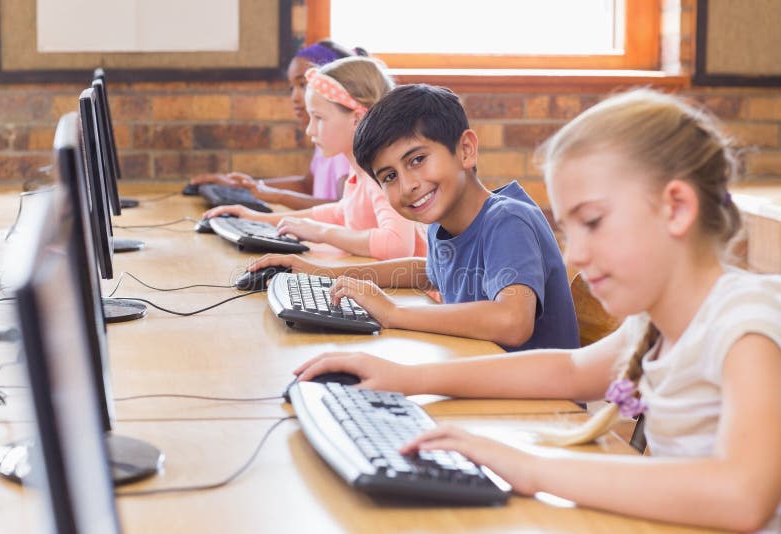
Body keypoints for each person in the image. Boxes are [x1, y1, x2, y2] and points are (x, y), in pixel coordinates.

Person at [292, 89, 781, 532]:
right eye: (571, 230)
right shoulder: (655, 325)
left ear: (676, 207)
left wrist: (530, 467)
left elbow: (741, 497)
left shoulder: (744, 328)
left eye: (593, 222)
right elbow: (567, 370)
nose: (577, 255)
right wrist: (407, 378)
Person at [248, 85, 578, 351]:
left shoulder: (508, 221)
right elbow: (428, 272)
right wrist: (325, 274)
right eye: (389, 176)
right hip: (485, 383)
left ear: (465, 150)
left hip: (539, 412)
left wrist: (395, 312)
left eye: (417, 159)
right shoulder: (443, 225)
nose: (408, 185)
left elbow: (513, 321)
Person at [204, 57, 427, 261]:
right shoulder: (359, 169)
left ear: (357, 118)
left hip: (416, 298)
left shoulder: (383, 173)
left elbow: (398, 246)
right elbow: (342, 212)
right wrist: (253, 218)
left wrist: (320, 232)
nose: (310, 130)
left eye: (318, 118)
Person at [191, 41, 357, 209]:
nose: (294, 97)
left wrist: (277, 197)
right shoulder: (325, 136)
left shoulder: (342, 143)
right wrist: (250, 187)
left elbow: (344, 209)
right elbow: (307, 185)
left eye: (303, 84)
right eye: (291, 87)